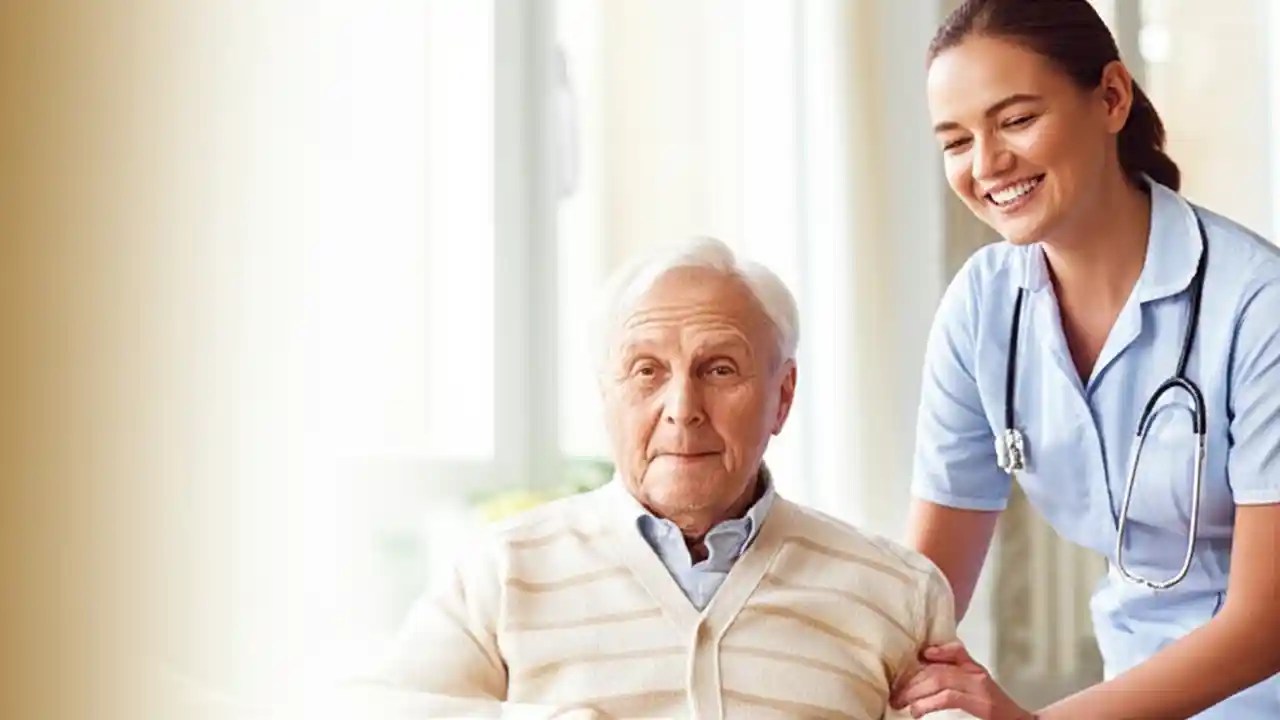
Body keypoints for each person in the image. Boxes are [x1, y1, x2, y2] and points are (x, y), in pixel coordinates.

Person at [346, 238, 973, 719]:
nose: (682, 407)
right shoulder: (502, 573)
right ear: (606, 397)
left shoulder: (899, 591)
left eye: (720, 369)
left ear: (782, 396)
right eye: (646, 371)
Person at [890, 1, 1280, 718]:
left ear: (1110, 98)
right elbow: (925, 588)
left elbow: (1265, 625)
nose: (986, 165)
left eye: (1015, 120)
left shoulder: (1258, 306)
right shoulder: (982, 307)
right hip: (1124, 690)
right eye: (954, 140)